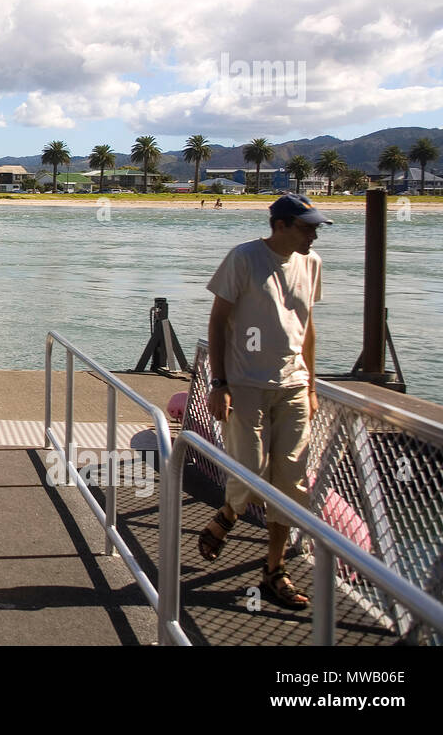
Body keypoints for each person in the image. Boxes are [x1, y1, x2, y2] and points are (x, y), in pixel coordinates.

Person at [198, 193, 330, 609]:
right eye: (307, 226)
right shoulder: (244, 258)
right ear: (282, 225)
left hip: (293, 386)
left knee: (292, 482)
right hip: (245, 383)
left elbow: (306, 326)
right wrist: (218, 382)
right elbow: (218, 321)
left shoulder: (312, 264)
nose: (313, 234)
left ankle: (274, 570)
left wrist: (310, 385)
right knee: (250, 468)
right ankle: (229, 515)